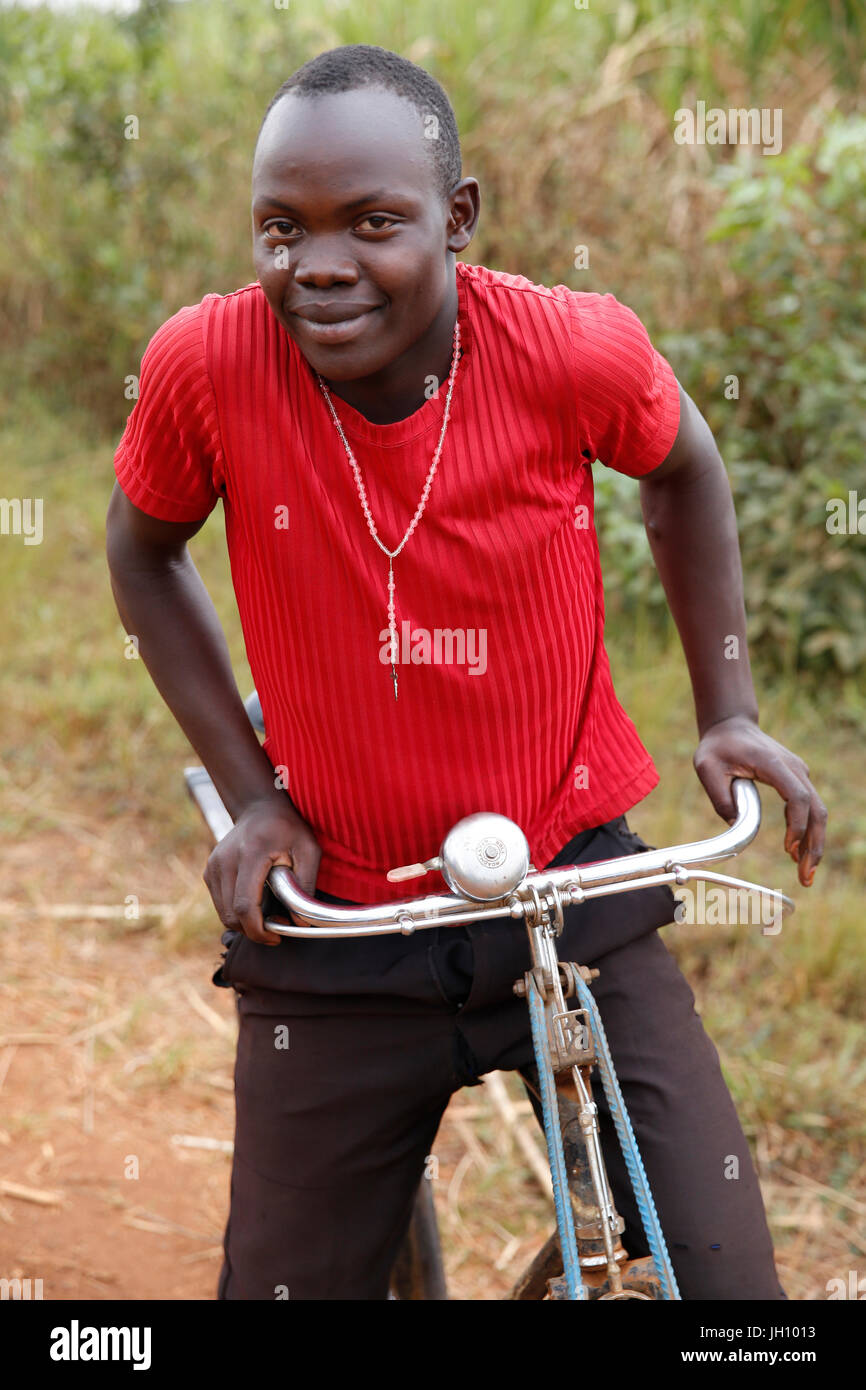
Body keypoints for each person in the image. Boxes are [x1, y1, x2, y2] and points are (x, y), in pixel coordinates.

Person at [105, 44, 826, 1301]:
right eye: (281, 229)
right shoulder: (206, 367)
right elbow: (142, 551)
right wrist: (256, 794)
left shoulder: (565, 350)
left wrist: (730, 715)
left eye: (372, 223)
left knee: (729, 1294)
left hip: (565, 877)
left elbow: (683, 469)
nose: (317, 266)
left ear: (458, 217)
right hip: (337, 918)